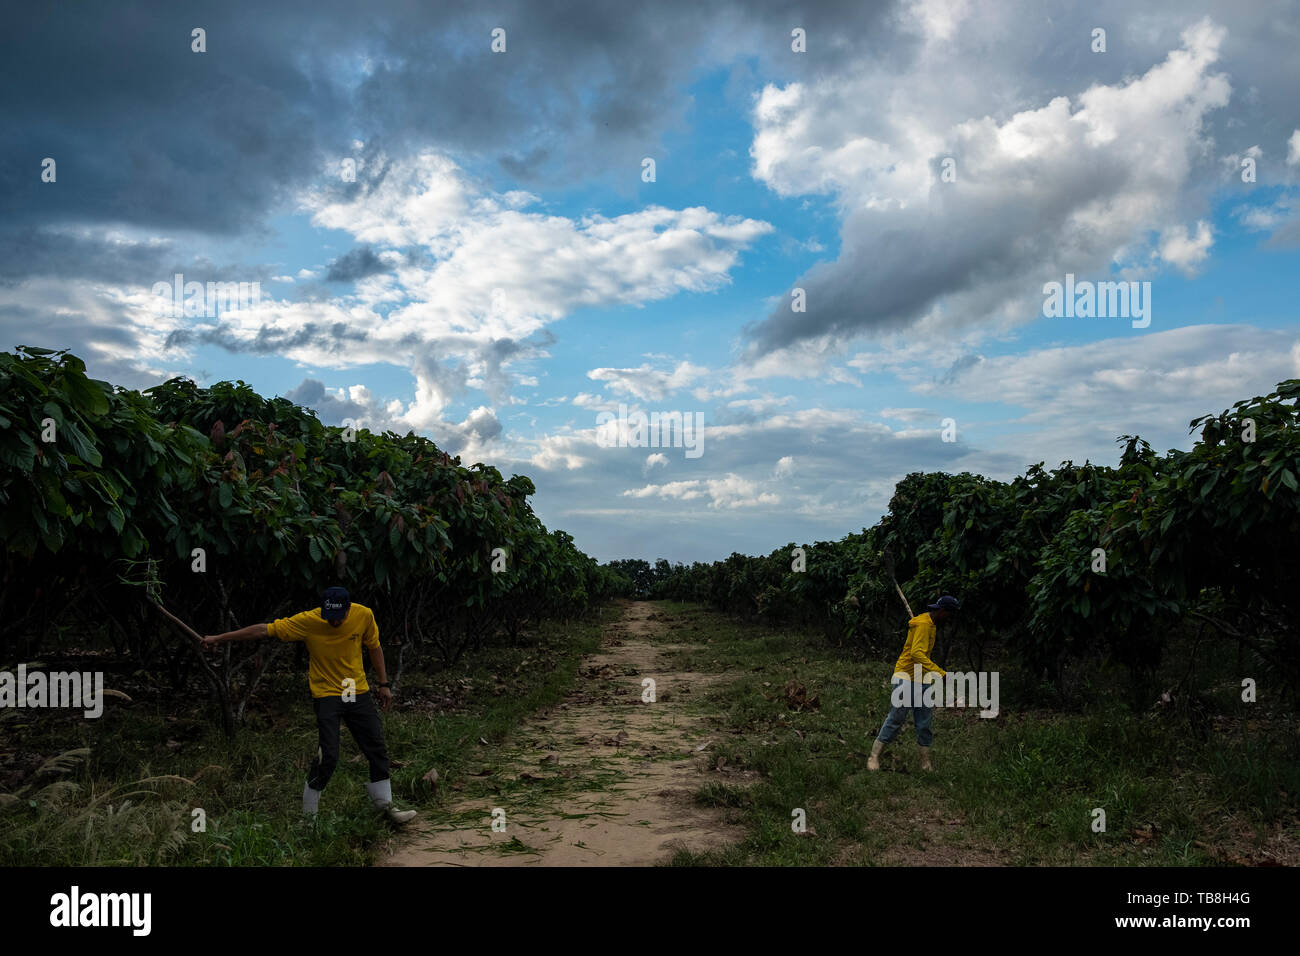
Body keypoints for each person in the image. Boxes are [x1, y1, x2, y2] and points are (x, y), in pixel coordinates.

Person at [200, 586, 416, 824]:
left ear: (348, 608)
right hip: (326, 694)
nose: (334, 622)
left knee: (376, 747)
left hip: (356, 690)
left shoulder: (363, 615)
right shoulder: (309, 620)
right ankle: (308, 819)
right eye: (329, 617)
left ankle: (386, 810)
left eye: (339, 617)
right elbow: (264, 630)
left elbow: (374, 647)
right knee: (329, 756)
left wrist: (384, 683)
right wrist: (219, 638)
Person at [867, 595, 960, 772]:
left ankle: (925, 762)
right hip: (906, 676)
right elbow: (917, 653)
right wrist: (939, 672)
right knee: (896, 717)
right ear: (942, 611)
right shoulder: (924, 625)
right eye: (949, 615)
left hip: (922, 678)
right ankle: (874, 756)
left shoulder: (929, 624)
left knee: (924, 721)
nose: (949, 620)